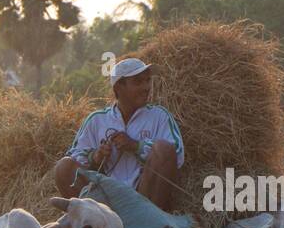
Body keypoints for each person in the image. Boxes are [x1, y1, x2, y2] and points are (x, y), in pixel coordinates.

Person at [53, 57, 185, 211]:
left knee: (163, 148)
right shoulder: (97, 120)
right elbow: (75, 155)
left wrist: (137, 146)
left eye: (148, 81)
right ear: (119, 87)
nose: (146, 87)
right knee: (63, 167)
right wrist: (95, 157)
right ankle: (97, 223)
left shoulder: (159, 116)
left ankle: (149, 221)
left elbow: (177, 153)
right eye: (138, 82)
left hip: (145, 198)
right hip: (105, 203)